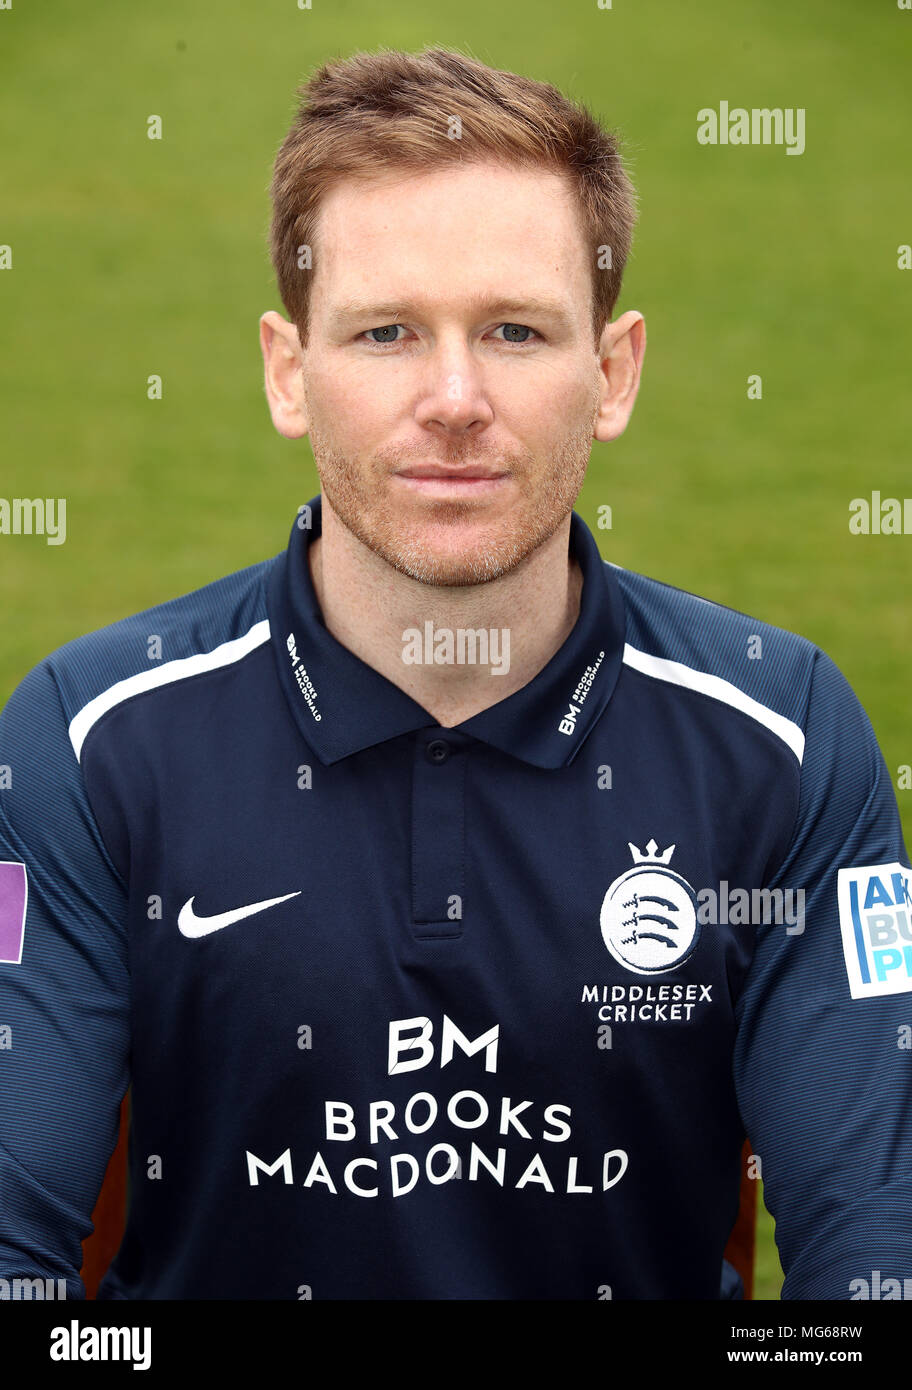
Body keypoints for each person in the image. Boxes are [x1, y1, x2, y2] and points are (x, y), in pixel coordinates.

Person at [1, 45, 909, 1302]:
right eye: (385, 332)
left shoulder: (789, 738)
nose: (455, 398)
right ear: (286, 368)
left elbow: (874, 1265)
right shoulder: (85, 741)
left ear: (614, 371)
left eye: (515, 330)